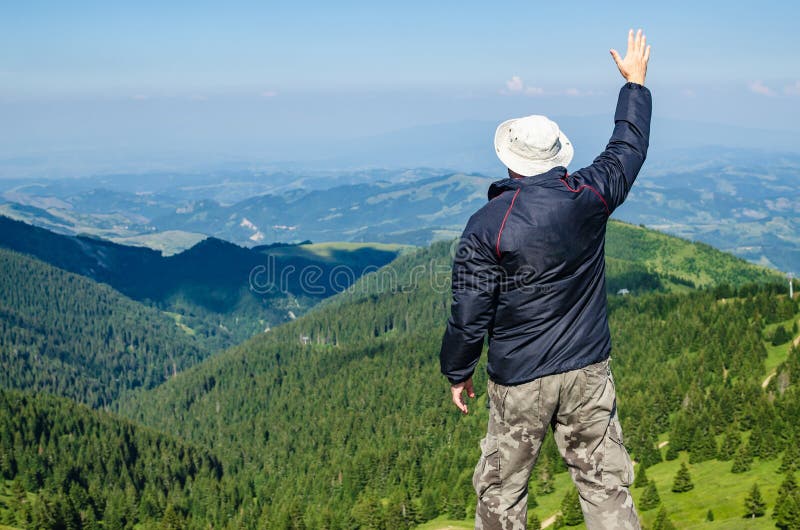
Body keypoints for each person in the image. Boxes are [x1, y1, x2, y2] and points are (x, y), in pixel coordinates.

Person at [439, 29, 652, 529]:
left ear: (509, 158)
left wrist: (458, 370)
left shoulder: (486, 225)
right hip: (588, 369)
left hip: (520, 379)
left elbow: (469, 312)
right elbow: (628, 149)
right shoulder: (590, 196)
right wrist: (635, 85)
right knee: (604, 485)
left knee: (502, 492)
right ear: (558, 156)